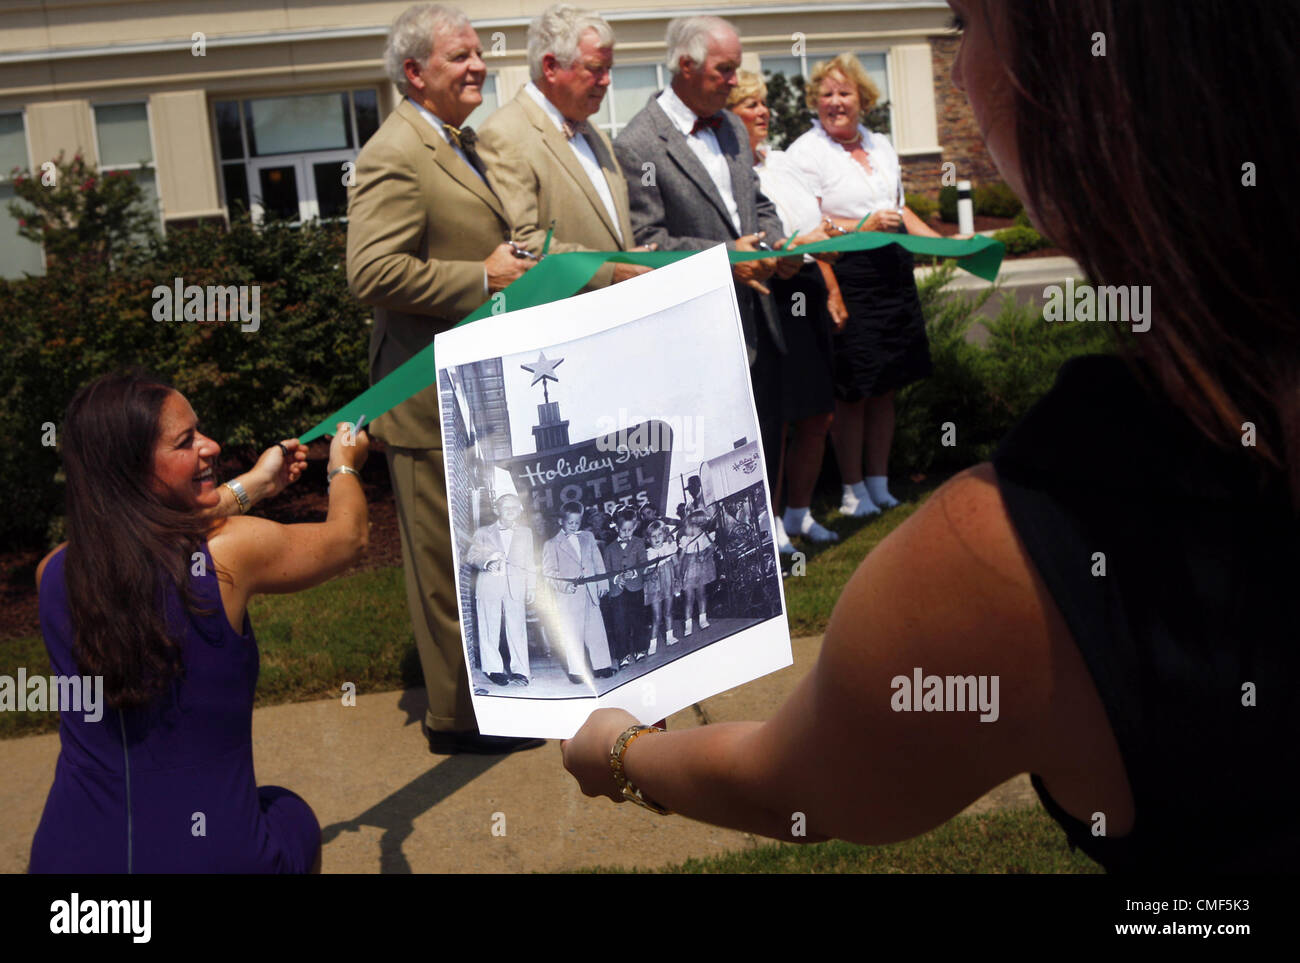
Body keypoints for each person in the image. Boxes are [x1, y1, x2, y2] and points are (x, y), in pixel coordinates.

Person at [562, 0, 1299, 872]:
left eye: (963, 25)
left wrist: (617, 750)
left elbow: (793, 783)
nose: (957, 70)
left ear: (1088, 77)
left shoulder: (1015, 550)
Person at [29, 372, 366, 873]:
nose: (210, 445)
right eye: (186, 442)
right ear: (130, 468)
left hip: (69, 866)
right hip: (213, 858)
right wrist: (343, 466)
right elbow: (349, 538)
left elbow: (143, 528)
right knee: (291, 815)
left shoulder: (53, 571)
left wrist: (254, 484)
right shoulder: (229, 554)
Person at [346, 4, 538, 755]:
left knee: (486, 544)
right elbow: (369, 271)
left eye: (479, 53)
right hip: (425, 396)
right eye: (460, 55)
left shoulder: (457, 143)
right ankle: (457, 718)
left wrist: (514, 254)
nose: (479, 66)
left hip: (478, 384)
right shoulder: (395, 150)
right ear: (415, 72)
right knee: (445, 557)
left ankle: (497, 690)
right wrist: (479, 275)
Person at [615, 15, 788, 504]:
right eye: (725, 70)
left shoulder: (731, 125)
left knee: (767, 429)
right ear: (685, 66)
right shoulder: (638, 143)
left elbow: (759, 205)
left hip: (762, 314)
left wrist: (778, 248)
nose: (735, 81)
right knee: (716, 449)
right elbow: (648, 242)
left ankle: (770, 531)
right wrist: (727, 258)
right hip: (700, 326)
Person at [785, 53, 950, 519]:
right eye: (826, 95)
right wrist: (859, 225)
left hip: (893, 271)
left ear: (864, 99)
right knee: (853, 389)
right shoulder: (806, 152)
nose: (835, 103)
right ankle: (853, 491)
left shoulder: (881, 145)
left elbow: (899, 210)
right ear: (815, 102)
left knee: (888, 383)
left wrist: (950, 245)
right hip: (847, 272)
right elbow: (809, 223)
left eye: (845, 93)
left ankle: (880, 483)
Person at [728, 70, 842, 552]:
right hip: (774, 291)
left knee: (819, 414)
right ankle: (770, 521)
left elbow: (813, 229)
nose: (762, 111)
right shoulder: (736, 170)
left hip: (811, 284)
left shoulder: (782, 163)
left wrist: (834, 288)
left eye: (763, 103)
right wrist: (799, 248)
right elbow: (770, 243)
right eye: (749, 104)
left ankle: (800, 511)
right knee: (779, 417)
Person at [476, 4, 654, 288]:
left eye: (609, 69)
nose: (607, 80)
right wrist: (610, 270)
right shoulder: (503, 133)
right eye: (596, 69)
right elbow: (523, 242)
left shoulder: (592, 131)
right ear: (550, 67)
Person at [465, 493, 535, 686]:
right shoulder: (483, 532)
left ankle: (521, 671)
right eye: (506, 507)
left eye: (515, 507)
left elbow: (530, 561)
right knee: (489, 627)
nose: (511, 510)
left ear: (520, 510)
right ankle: (493, 669)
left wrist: (532, 587)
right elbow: (471, 555)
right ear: (497, 510)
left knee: (517, 629)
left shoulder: (526, 533)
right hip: (489, 585)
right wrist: (487, 563)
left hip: (516, 586)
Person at [542, 502, 614, 683]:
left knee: (596, 630)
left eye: (577, 522)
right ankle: (577, 671)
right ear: (561, 521)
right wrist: (564, 586)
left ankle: (602, 666)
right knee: (572, 633)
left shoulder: (588, 537)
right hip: (569, 596)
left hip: (590, 591)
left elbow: (597, 561)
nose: (574, 526)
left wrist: (603, 582)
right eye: (570, 523)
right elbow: (549, 573)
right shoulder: (551, 544)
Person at [602, 509, 648, 667]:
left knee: (638, 620)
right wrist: (616, 578)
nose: (627, 533)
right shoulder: (608, 549)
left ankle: (640, 649)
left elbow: (644, 563)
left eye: (630, 529)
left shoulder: (639, 543)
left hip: (635, 588)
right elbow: (606, 571)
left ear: (634, 527)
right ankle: (623, 655)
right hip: (617, 592)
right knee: (620, 624)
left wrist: (635, 572)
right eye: (623, 530)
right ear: (616, 528)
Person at [676, 510, 716, 637]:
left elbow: (712, 548)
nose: (684, 529)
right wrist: (678, 570)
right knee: (689, 597)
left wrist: (705, 557)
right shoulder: (684, 539)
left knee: (701, 594)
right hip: (688, 570)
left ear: (695, 527)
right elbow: (681, 557)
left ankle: (702, 618)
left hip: (701, 569)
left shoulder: (704, 536)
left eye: (686, 527)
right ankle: (688, 624)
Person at [642, 520, 679, 652]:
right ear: (648, 539)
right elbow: (644, 573)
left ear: (664, 535)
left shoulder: (668, 548)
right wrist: (650, 574)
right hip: (654, 587)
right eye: (653, 536)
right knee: (656, 616)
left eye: (659, 535)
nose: (657, 538)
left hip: (668, 583)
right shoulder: (647, 554)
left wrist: (677, 579)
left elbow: (676, 564)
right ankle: (652, 644)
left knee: (668, 611)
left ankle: (670, 636)